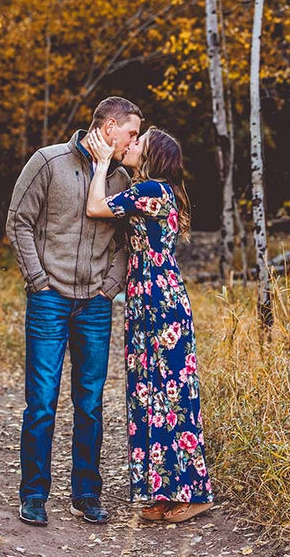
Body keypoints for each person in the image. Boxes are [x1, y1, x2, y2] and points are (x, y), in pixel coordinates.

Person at [6, 96, 143, 526]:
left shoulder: (121, 179)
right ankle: (34, 494)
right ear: (108, 128)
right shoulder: (48, 162)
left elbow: (127, 242)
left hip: (96, 306)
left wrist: (110, 288)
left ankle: (86, 493)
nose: (134, 142)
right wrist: (38, 280)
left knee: (89, 403)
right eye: (131, 133)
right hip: (49, 299)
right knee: (42, 401)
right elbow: (18, 222)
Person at [86, 126, 213, 523]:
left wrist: (101, 164)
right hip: (146, 302)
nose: (133, 143)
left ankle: (195, 494)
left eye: (139, 141)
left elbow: (94, 207)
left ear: (153, 154)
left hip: (162, 304)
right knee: (150, 395)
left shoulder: (152, 191)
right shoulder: (153, 193)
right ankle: (164, 492)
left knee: (172, 396)